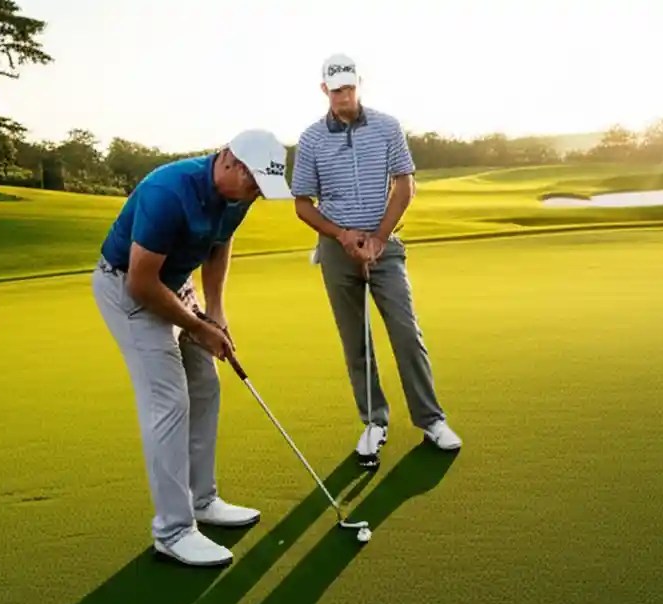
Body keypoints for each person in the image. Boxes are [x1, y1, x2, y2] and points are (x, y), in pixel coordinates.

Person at [92, 128, 292, 567]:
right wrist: (197, 328)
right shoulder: (169, 190)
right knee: (169, 400)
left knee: (206, 386)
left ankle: (202, 500)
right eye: (253, 183)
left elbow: (219, 245)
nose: (255, 195)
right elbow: (141, 282)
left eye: (262, 188)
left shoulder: (237, 197)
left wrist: (215, 312)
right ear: (228, 160)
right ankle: (173, 530)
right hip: (127, 289)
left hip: (176, 287)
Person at [291, 52, 462, 466]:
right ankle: (374, 422)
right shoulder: (311, 138)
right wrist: (342, 236)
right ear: (324, 90)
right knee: (356, 343)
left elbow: (405, 186)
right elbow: (302, 204)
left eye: (348, 88)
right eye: (335, 91)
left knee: (406, 332)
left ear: (359, 85)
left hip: (384, 246)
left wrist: (380, 238)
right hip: (337, 251)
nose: (343, 97)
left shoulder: (386, 127)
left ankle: (431, 419)